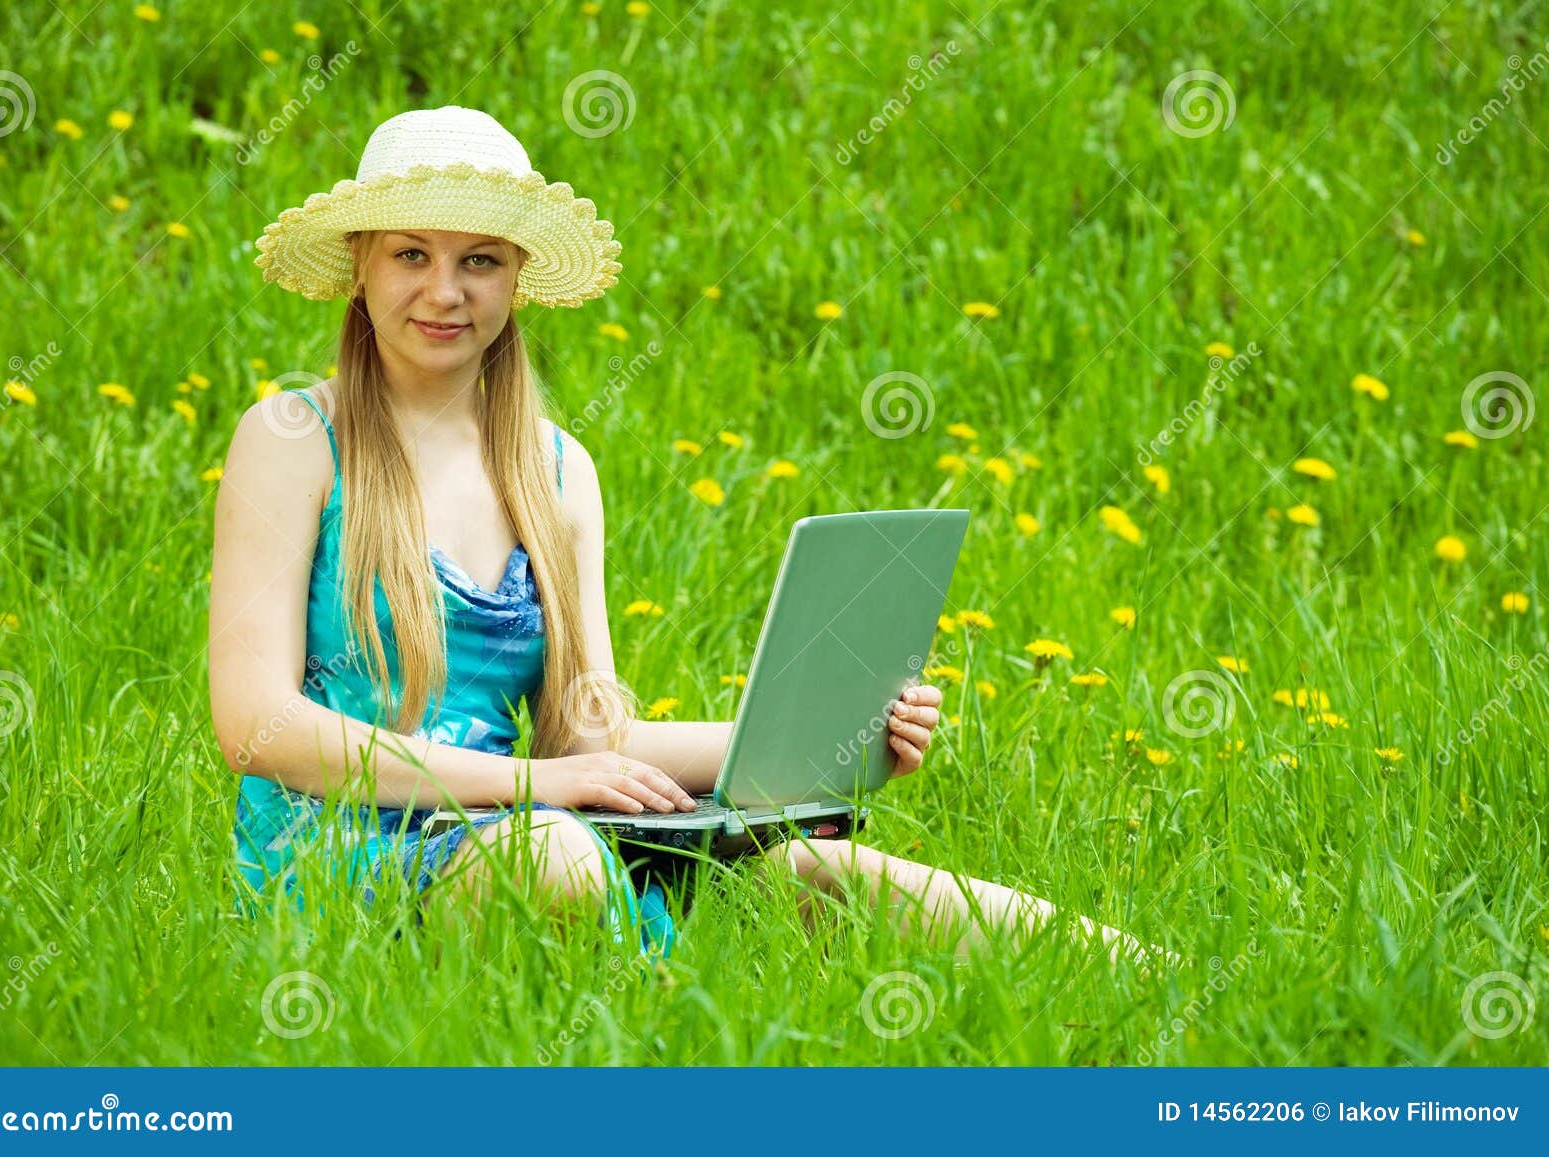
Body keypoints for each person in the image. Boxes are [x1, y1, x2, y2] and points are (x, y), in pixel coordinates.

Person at [210, 105, 1175, 971]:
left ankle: (1151, 976)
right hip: (342, 846)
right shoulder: (296, 440)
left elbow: (592, 732)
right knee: (555, 857)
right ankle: (601, 980)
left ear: (518, 279)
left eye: (480, 260)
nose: (446, 292)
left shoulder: (554, 469)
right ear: (361, 266)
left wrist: (839, 739)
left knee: (820, 867)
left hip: (532, 818)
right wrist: (539, 784)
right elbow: (256, 723)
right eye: (411, 255)